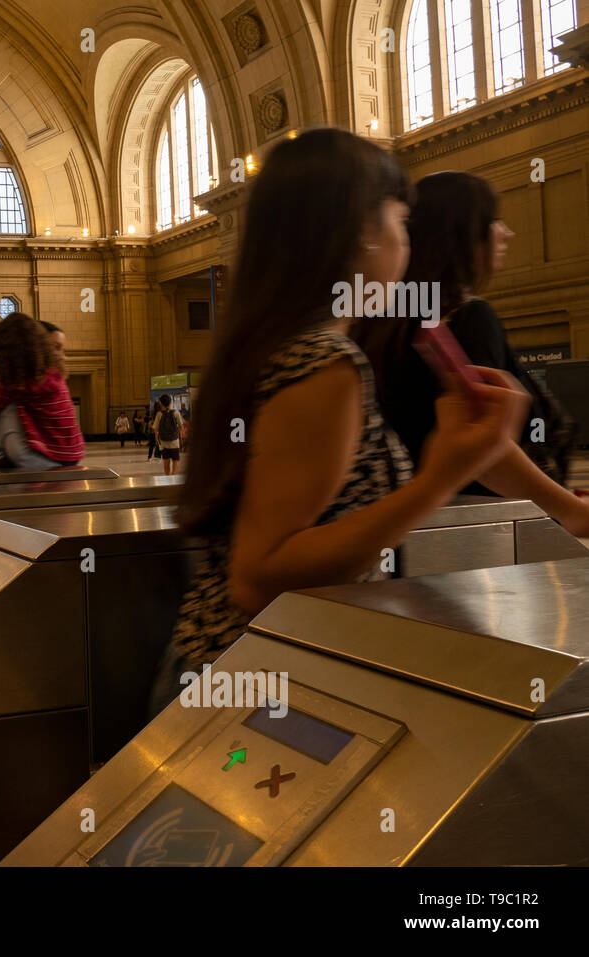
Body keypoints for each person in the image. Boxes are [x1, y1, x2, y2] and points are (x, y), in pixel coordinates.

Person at [147, 128, 527, 716]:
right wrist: (438, 480)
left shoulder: (270, 345)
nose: (408, 246)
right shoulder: (326, 364)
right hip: (260, 686)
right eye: (400, 223)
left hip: (219, 668)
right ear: (360, 234)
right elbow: (258, 577)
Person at [354, 171, 589, 536]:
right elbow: (485, 449)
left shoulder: (384, 324)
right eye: (494, 220)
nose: (506, 233)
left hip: (409, 531)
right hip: (483, 535)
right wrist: (572, 511)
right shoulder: (469, 316)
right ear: (464, 234)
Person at [0, 312, 85, 470]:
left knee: (1, 411)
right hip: (72, 452)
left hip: (44, 460)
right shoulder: (51, 372)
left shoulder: (20, 383)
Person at [151, 394, 184, 475]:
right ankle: (174, 480)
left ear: (161, 403)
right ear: (170, 402)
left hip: (164, 443)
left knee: (166, 464)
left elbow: (156, 429)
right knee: (175, 463)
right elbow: (181, 427)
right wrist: (178, 436)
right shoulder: (176, 413)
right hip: (175, 442)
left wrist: (157, 440)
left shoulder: (159, 414)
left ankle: (167, 481)